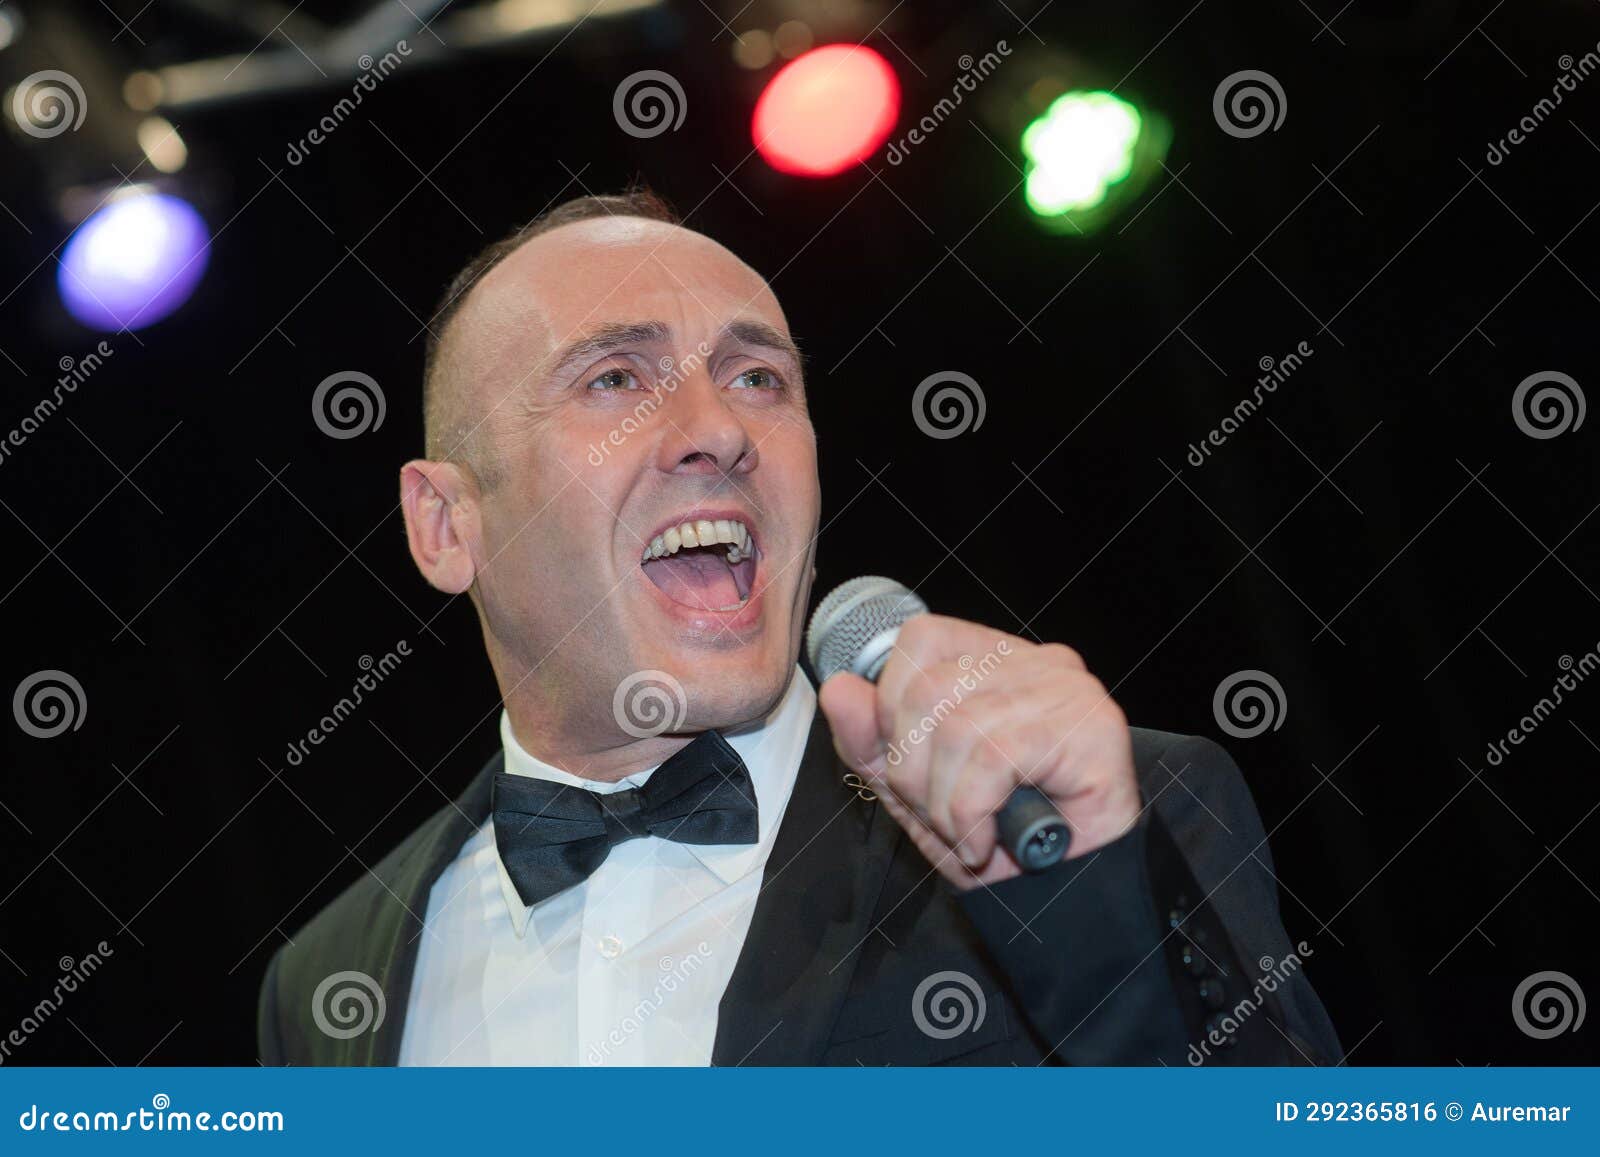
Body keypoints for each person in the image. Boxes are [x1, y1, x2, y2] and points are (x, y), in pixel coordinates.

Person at [257, 190, 1341, 1066]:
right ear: (447, 524)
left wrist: (1094, 917)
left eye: (758, 376)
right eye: (616, 378)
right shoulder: (326, 987)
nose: (719, 429)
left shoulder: (1081, 815)